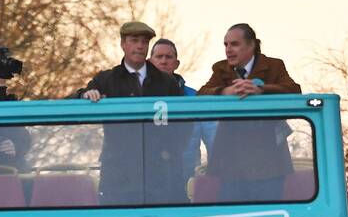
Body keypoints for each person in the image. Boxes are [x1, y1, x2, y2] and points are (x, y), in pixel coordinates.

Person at [71, 21, 186, 205]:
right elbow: (72, 103)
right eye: (134, 40)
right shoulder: (107, 79)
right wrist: (84, 96)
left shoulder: (166, 82)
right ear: (123, 44)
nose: (140, 46)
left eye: (144, 42)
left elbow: (182, 126)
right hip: (118, 178)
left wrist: (169, 153)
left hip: (158, 177)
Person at [197, 25, 302, 202]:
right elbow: (201, 95)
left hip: (269, 163)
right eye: (226, 45)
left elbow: (294, 91)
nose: (228, 50)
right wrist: (225, 92)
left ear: (251, 45)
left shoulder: (274, 66)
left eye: (235, 44)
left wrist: (261, 90)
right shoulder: (221, 69)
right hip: (230, 164)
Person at [149, 38, 215, 183]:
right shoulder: (141, 96)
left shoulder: (194, 98)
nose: (164, 61)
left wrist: (215, 174)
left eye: (168, 57)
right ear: (149, 62)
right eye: (159, 57)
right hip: (148, 179)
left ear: (176, 64)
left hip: (185, 178)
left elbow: (213, 139)